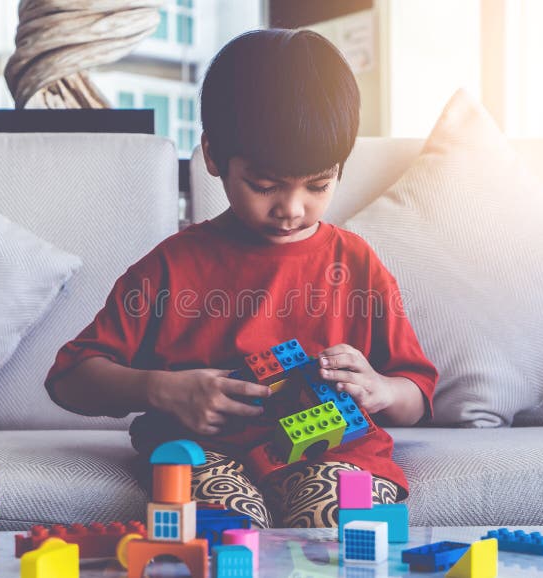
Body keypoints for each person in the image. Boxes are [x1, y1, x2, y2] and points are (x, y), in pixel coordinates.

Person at [44, 28, 438, 529]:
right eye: (265, 185)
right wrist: (164, 391)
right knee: (227, 530)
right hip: (203, 451)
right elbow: (70, 378)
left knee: (338, 525)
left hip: (339, 452)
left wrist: (382, 390)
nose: (292, 209)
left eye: (319, 184)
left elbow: (417, 394)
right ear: (212, 156)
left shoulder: (356, 263)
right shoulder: (171, 267)